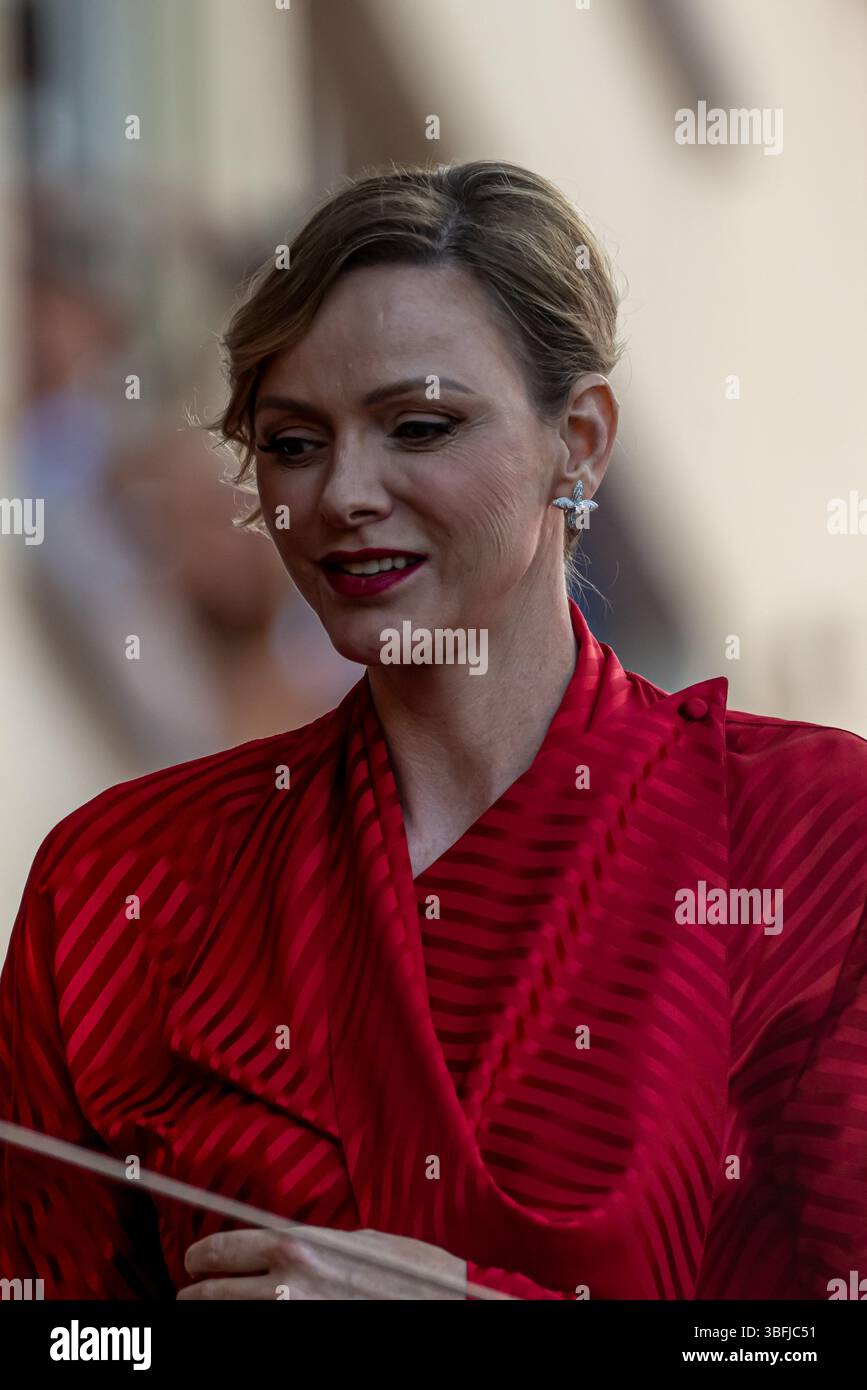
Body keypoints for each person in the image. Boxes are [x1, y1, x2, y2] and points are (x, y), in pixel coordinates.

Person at [1, 161, 865, 1300]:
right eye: (294, 443)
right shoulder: (122, 881)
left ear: (583, 440)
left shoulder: (812, 837)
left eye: (418, 424)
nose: (345, 492)